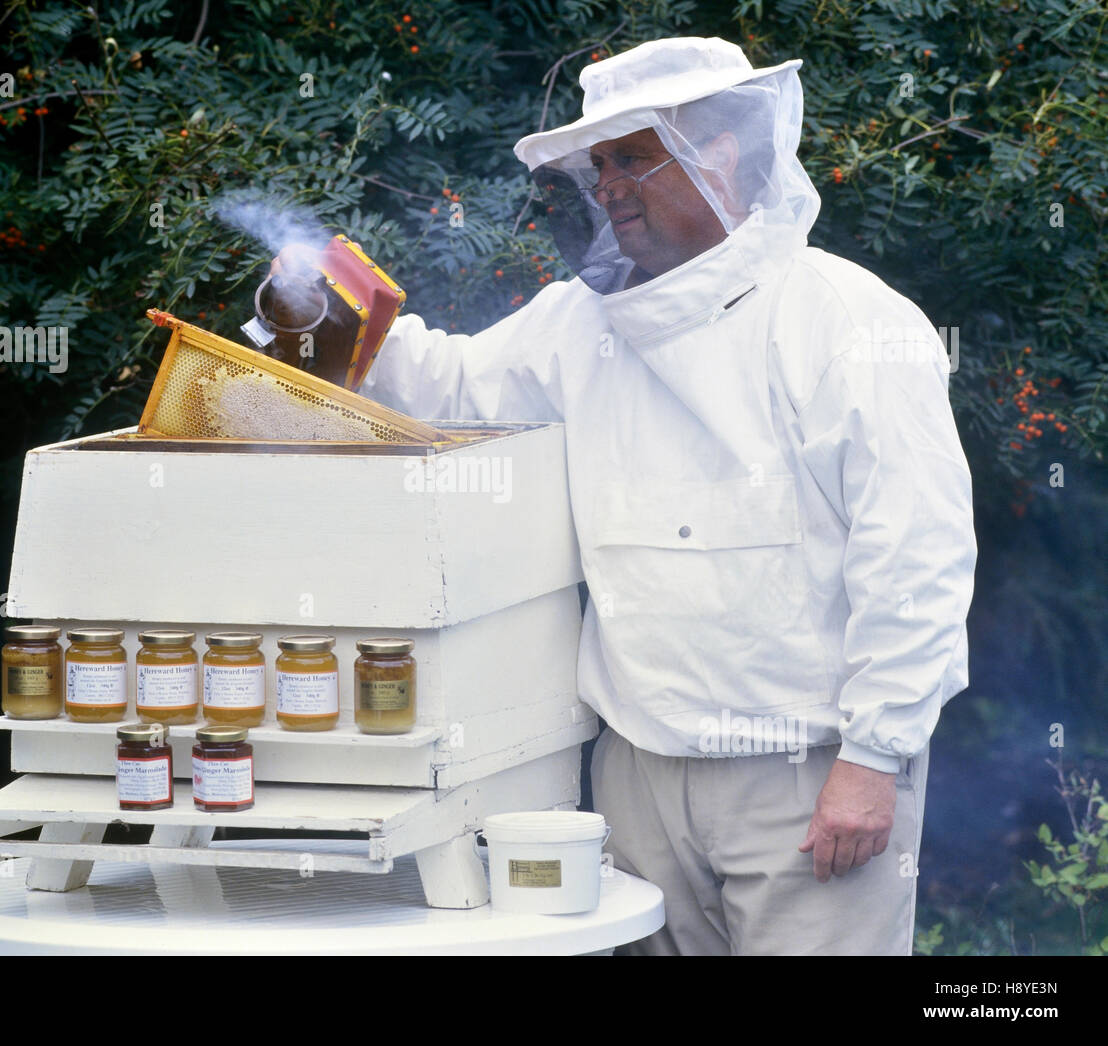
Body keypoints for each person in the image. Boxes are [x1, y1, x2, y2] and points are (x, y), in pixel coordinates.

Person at [283, 36, 977, 955]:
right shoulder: (585, 319)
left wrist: (874, 760)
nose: (606, 186)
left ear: (717, 152)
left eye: (631, 157)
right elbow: (450, 384)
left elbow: (917, 556)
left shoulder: (848, 322)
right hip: (637, 773)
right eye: (595, 165)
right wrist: (333, 321)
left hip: (808, 776)